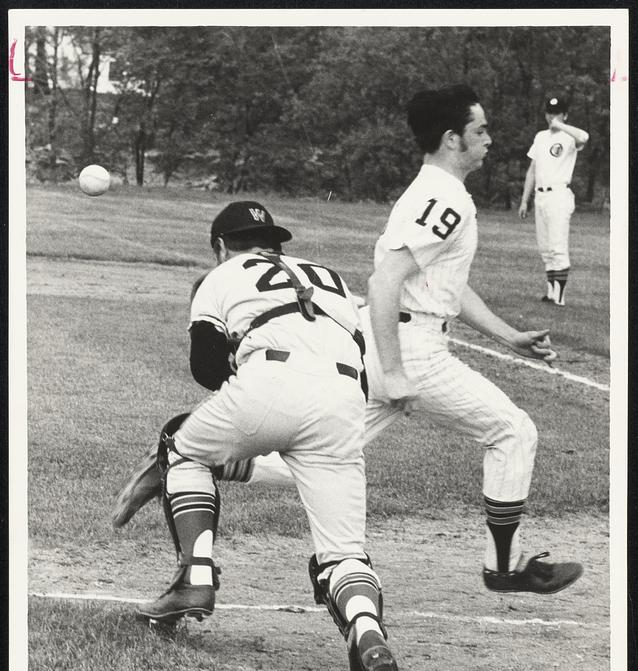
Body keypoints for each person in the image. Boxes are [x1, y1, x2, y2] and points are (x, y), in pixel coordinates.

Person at [115, 85, 583, 596]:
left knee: (318, 454)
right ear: (452, 139)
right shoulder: (447, 199)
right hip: (411, 346)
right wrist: (401, 371)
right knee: (514, 432)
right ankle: (503, 567)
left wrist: (509, 335)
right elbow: (385, 282)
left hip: (377, 341)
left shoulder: (430, 189)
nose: (490, 139)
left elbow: (439, 280)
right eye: (480, 130)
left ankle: (192, 461)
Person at [135, 200, 410, 671]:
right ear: (278, 245)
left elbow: (206, 368)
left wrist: (247, 405)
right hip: (345, 398)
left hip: (269, 379)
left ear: (222, 246)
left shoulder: (221, 275)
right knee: (343, 551)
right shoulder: (328, 277)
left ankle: (195, 576)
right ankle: (368, 633)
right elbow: (361, 358)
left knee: (182, 451)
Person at [518, 95, 589, 306]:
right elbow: (532, 170)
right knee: (545, 248)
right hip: (541, 195)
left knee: (558, 246)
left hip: (559, 194)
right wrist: (524, 200)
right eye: (550, 113)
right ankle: (550, 292)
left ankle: (559, 297)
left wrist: (561, 125)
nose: (552, 117)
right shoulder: (540, 137)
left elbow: (584, 137)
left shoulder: (569, 138)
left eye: (557, 113)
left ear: (565, 115)